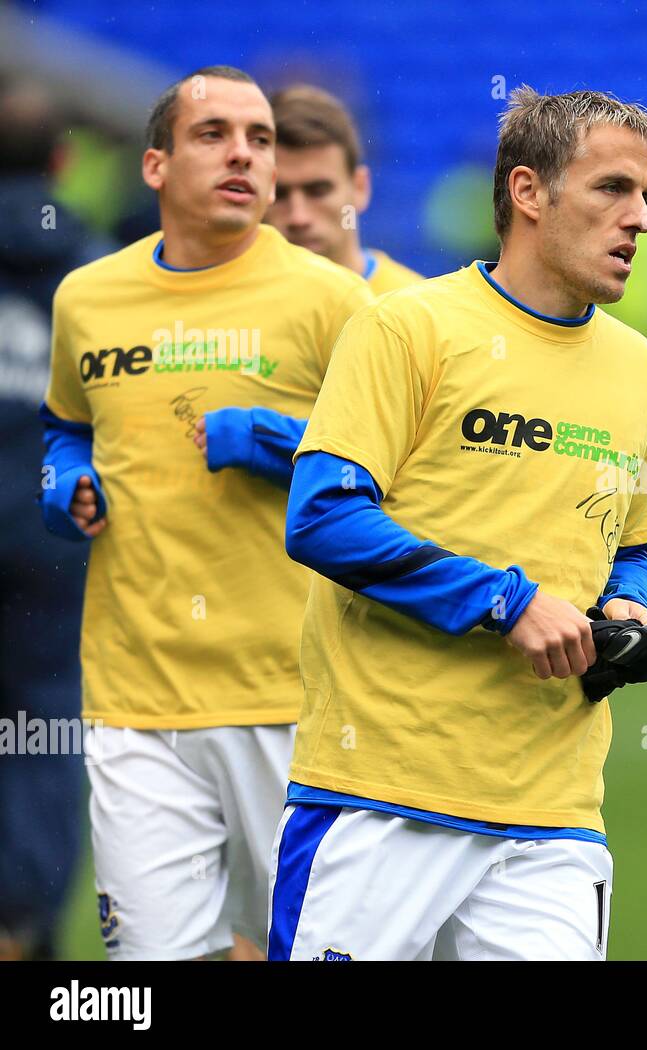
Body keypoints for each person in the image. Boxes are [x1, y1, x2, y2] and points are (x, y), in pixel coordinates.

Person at [268, 86, 647, 961]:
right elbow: (324, 519)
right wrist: (508, 604)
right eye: (612, 189)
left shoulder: (644, 372)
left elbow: (626, 547)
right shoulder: (406, 329)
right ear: (528, 192)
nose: (639, 217)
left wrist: (628, 614)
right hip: (380, 799)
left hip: (554, 815)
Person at [39, 65, 372, 960]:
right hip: (134, 703)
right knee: (145, 970)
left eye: (260, 139)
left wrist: (275, 441)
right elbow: (67, 426)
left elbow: (405, 476)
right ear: (154, 165)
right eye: (214, 134)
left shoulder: (332, 301)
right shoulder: (88, 298)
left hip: (294, 701)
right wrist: (62, 479)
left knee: (301, 949)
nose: (244, 154)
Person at [0, 78, 107, 961]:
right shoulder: (97, 268)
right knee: (42, 737)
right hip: (48, 538)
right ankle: (25, 926)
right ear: (66, 160)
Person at [265, 84, 423, 294]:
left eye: (318, 191)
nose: (298, 217)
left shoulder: (416, 307)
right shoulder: (234, 307)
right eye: (280, 194)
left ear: (360, 187)